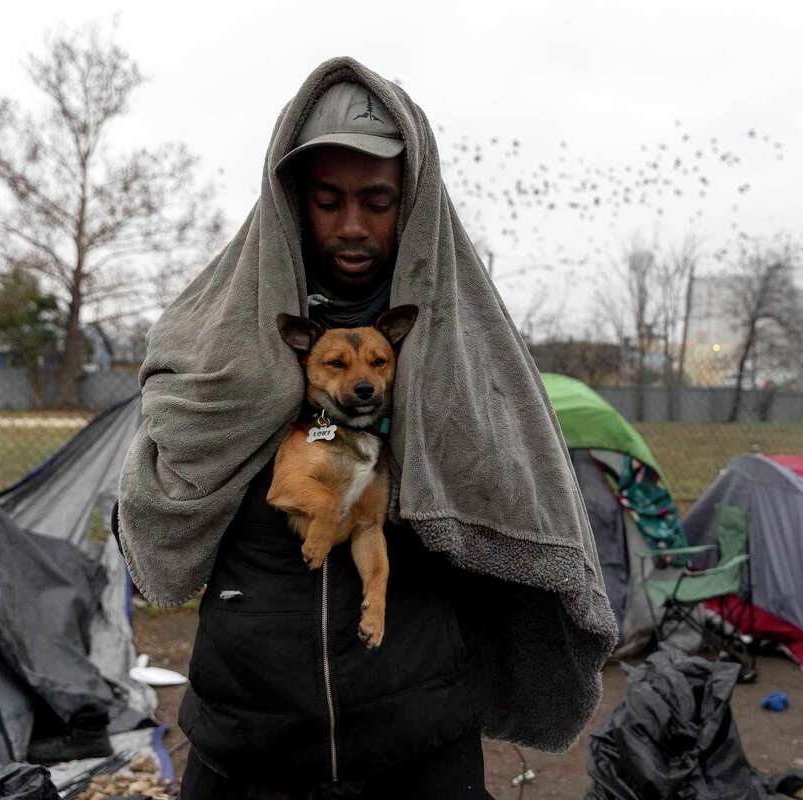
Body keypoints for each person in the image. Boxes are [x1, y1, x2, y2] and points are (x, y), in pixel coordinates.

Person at [116, 60, 618, 799]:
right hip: (247, 729)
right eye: (328, 200)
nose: (352, 225)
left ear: (411, 202)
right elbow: (161, 481)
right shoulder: (219, 333)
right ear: (292, 200)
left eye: (376, 200)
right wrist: (268, 402)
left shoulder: (463, 345)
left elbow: (518, 491)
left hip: (418, 731)